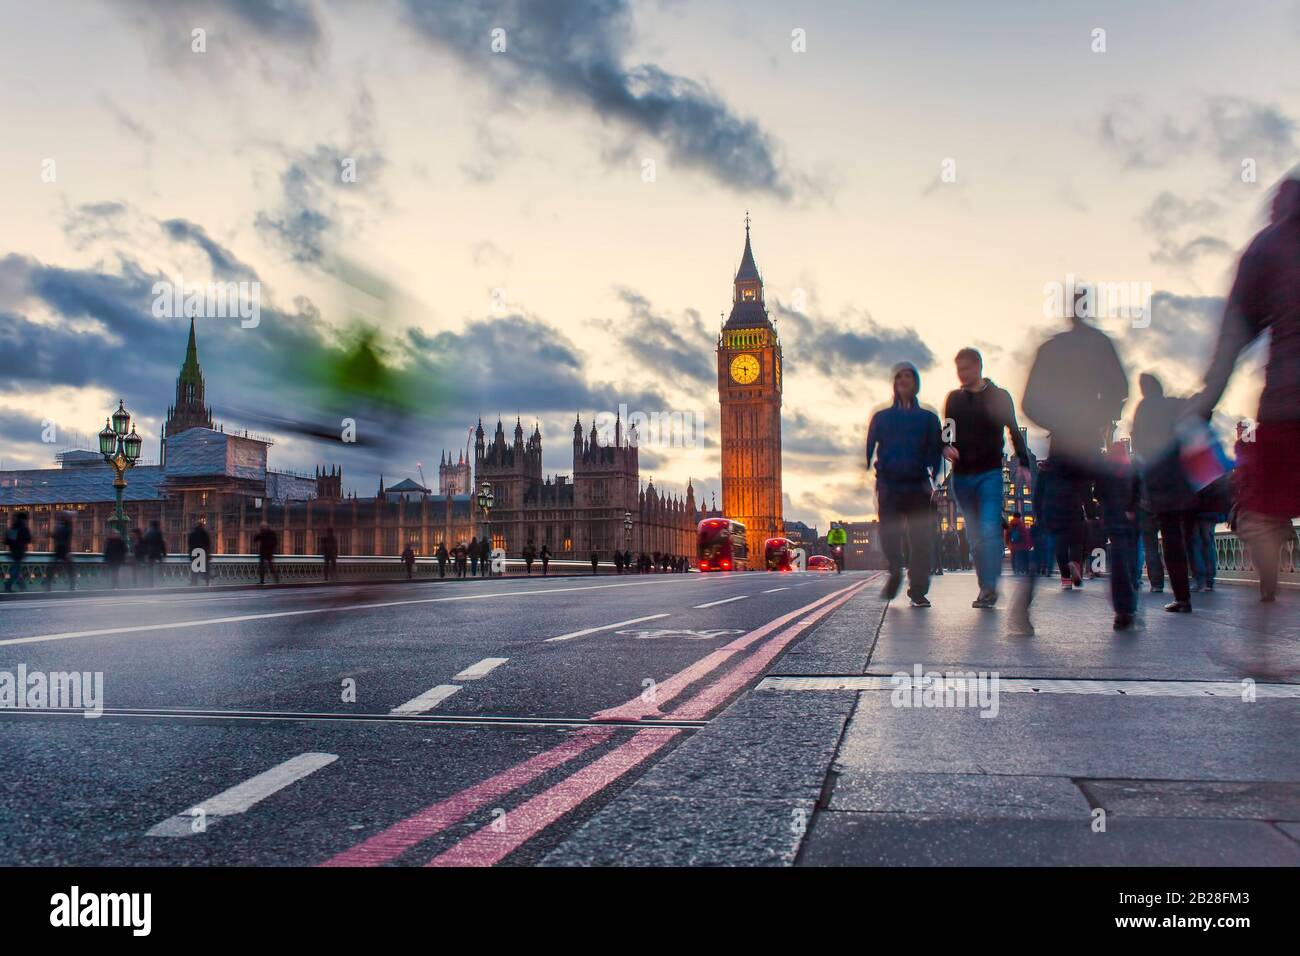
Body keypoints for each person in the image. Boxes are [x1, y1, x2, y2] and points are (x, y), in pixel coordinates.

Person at [1194, 175, 1300, 601]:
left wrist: (1206, 400)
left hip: (1286, 403)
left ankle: (1264, 634)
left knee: (1261, 511)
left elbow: (1234, 334)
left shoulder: (1267, 246)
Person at [1020, 286, 1136, 629]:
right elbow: (1121, 389)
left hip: (1063, 449)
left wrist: (1056, 422)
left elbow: (1028, 403)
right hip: (1091, 445)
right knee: (1116, 523)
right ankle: (1125, 608)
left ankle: (1024, 604)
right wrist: (1102, 417)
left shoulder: (1050, 348)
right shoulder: (1100, 344)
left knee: (1048, 526)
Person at [943, 348, 1033, 608]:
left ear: (978, 367)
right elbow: (946, 430)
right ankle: (985, 586)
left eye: (966, 369)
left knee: (989, 528)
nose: (962, 375)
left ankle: (990, 587)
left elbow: (1013, 430)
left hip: (990, 473)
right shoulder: (954, 399)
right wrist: (945, 446)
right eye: (959, 370)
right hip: (961, 477)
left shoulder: (999, 397)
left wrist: (1024, 463)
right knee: (974, 537)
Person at [866, 361, 943, 607]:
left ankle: (918, 590)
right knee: (889, 536)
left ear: (915, 383)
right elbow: (871, 444)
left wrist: (932, 479)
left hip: (918, 486)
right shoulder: (882, 417)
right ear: (894, 384)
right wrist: (868, 463)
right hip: (889, 485)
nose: (903, 380)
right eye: (899, 377)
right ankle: (895, 571)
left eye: (908, 376)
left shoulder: (929, 419)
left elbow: (936, 451)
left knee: (921, 542)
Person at [1131, 374, 1199, 613]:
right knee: (1190, 538)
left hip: (1159, 482)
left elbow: (1137, 445)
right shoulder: (1176, 404)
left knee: (1170, 539)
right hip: (1186, 479)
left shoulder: (1144, 408)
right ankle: (1200, 579)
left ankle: (1182, 597)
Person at [45, 513, 76, 591]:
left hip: (59, 549)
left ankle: (48, 585)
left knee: (53, 568)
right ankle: (72, 585)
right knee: (70, 568)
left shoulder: (60, 526)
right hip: (63, 550)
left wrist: (49, 534)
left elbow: (56, 536)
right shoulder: (67, 527)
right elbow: (67, 540)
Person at [4, 511, 32, 593]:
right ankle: (9, 585)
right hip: (19, 552)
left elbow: (8, 541)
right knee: (16, 569)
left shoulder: (13, 527)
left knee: (16, 569)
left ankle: (22, 586)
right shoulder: (23, 528)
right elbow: (28, 539)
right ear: (23, 519)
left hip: (13, 551)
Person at [142, 520, 168, 587]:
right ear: (157, 525)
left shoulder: (148, 532)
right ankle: (160, 575)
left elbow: (144, 543)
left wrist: (145, 552)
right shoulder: (159, 532)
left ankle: (150, 583)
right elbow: (161, 543)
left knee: (150, 568)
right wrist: (164, 552)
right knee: (160, 564)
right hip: (157, 552)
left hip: (150, 552)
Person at [187, 521, 212, 586]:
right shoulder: (205, 533)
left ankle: (194, 582)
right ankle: (207, 582)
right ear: (202, 526)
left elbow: (189, 544)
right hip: (203, 554)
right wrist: (208, 554)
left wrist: (190, 554)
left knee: (195, 570)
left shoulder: (192, 534)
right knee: (206, 569)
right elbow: (208, 544)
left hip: (195, 554)